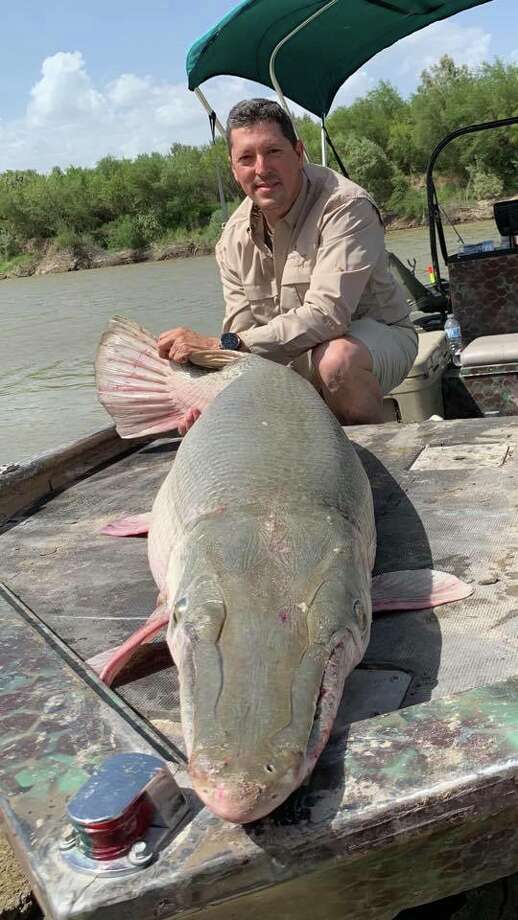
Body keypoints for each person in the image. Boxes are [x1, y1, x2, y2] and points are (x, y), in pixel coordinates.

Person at [157, 98, 418, 434]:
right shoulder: (232, 238)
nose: (262, 168)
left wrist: (218, 345)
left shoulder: (346, 207)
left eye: (273, 152)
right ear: (234, 169)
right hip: (294, 355)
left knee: (337, 362)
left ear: (298, 152)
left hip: (377, 340)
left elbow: (327, 316)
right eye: (246, 158)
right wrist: (207, 394)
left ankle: (375, 461)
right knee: (219, 403)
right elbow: (240, 338)